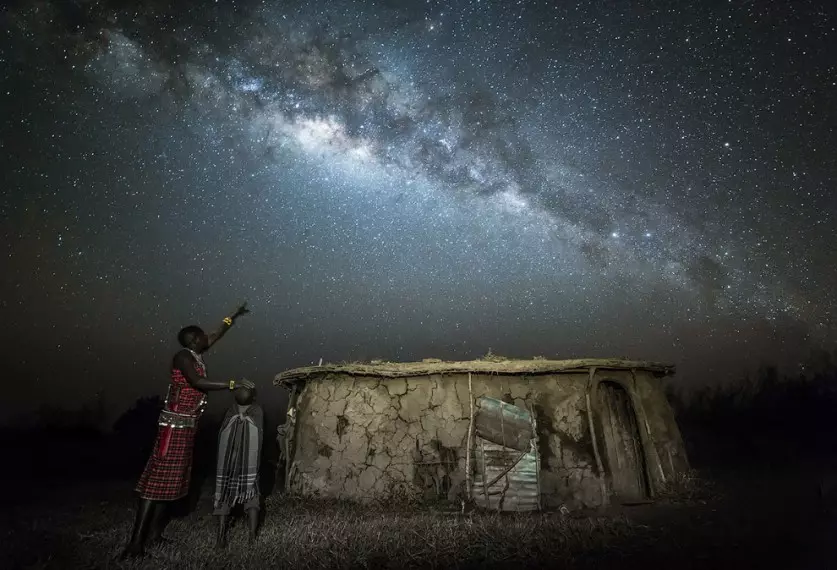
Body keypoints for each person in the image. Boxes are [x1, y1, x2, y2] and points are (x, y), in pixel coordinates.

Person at [121, 302, 253, 559]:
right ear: (194, 339)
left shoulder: (195, 354)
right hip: (173, 426)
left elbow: (216, 333)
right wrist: (232, 383)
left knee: (170, 483)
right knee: (156, 484)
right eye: (203, 336)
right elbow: (197, 381)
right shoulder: (183, 356)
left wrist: (232, 317)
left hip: (186, 426)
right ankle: (135, 544)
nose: (208, 338)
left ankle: (156, 535)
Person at [213, 386, 264, 548]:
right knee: (252, 497)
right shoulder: (256, 411)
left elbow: (223, 433)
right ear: (253, 397)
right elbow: (258, 434)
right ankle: (251, 537)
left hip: (229, 463)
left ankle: (222, 537)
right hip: (247, 464)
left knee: (224, 496)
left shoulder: (232, 411)